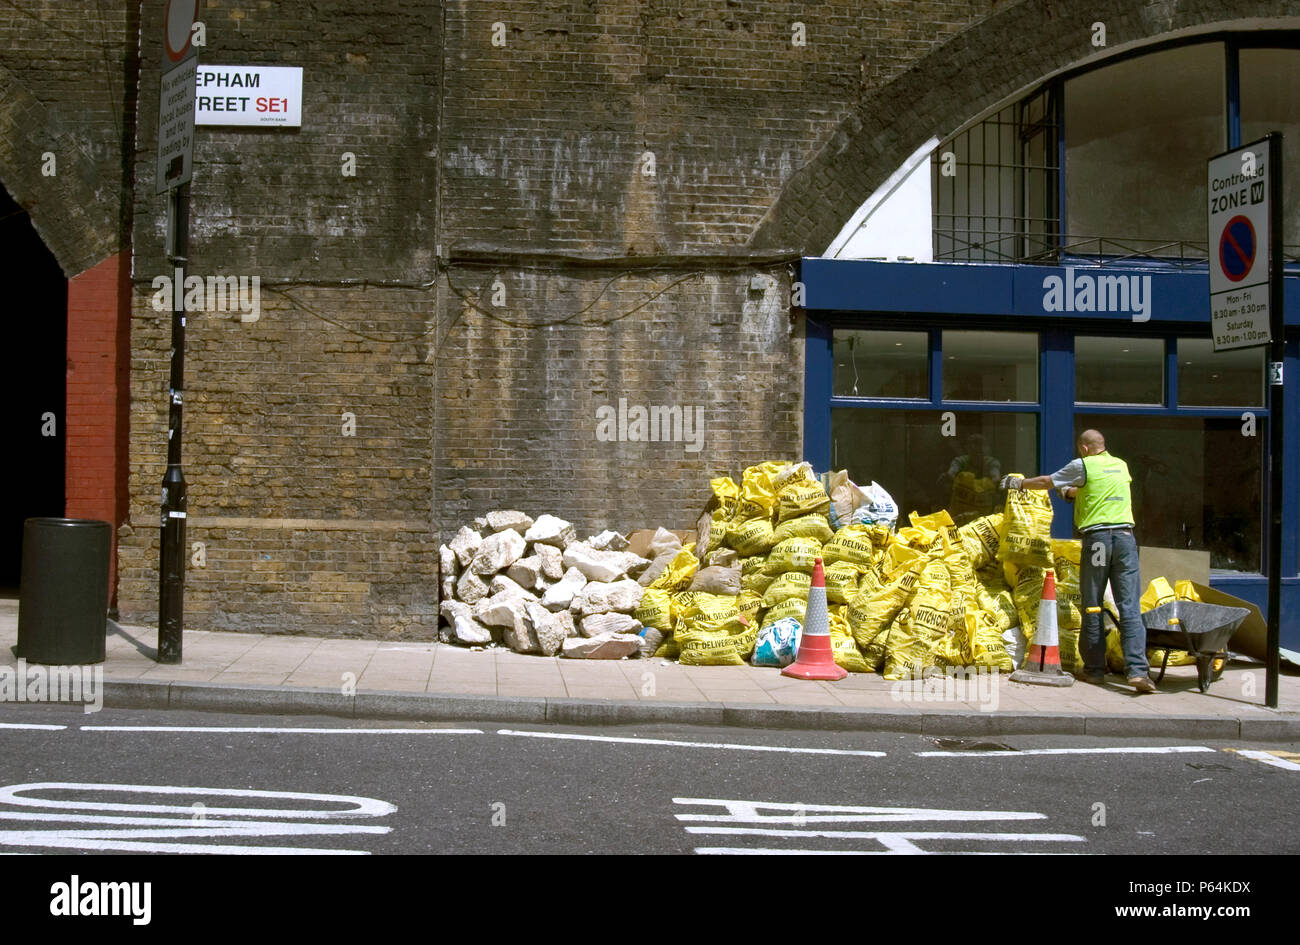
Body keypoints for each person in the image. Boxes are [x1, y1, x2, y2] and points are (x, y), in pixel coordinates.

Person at [1000, 430, 1155, 694]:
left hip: (1098, 540)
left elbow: (1047, 482)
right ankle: (1138, 672)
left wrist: (1018, 484)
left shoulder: (1082, 465)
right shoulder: (1120, 465)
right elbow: (1096, 491)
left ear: (1084, 448)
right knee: (1128, 606)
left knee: (1092, 604)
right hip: (1126, 539)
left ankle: (1094, 670)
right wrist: (1071, 493)